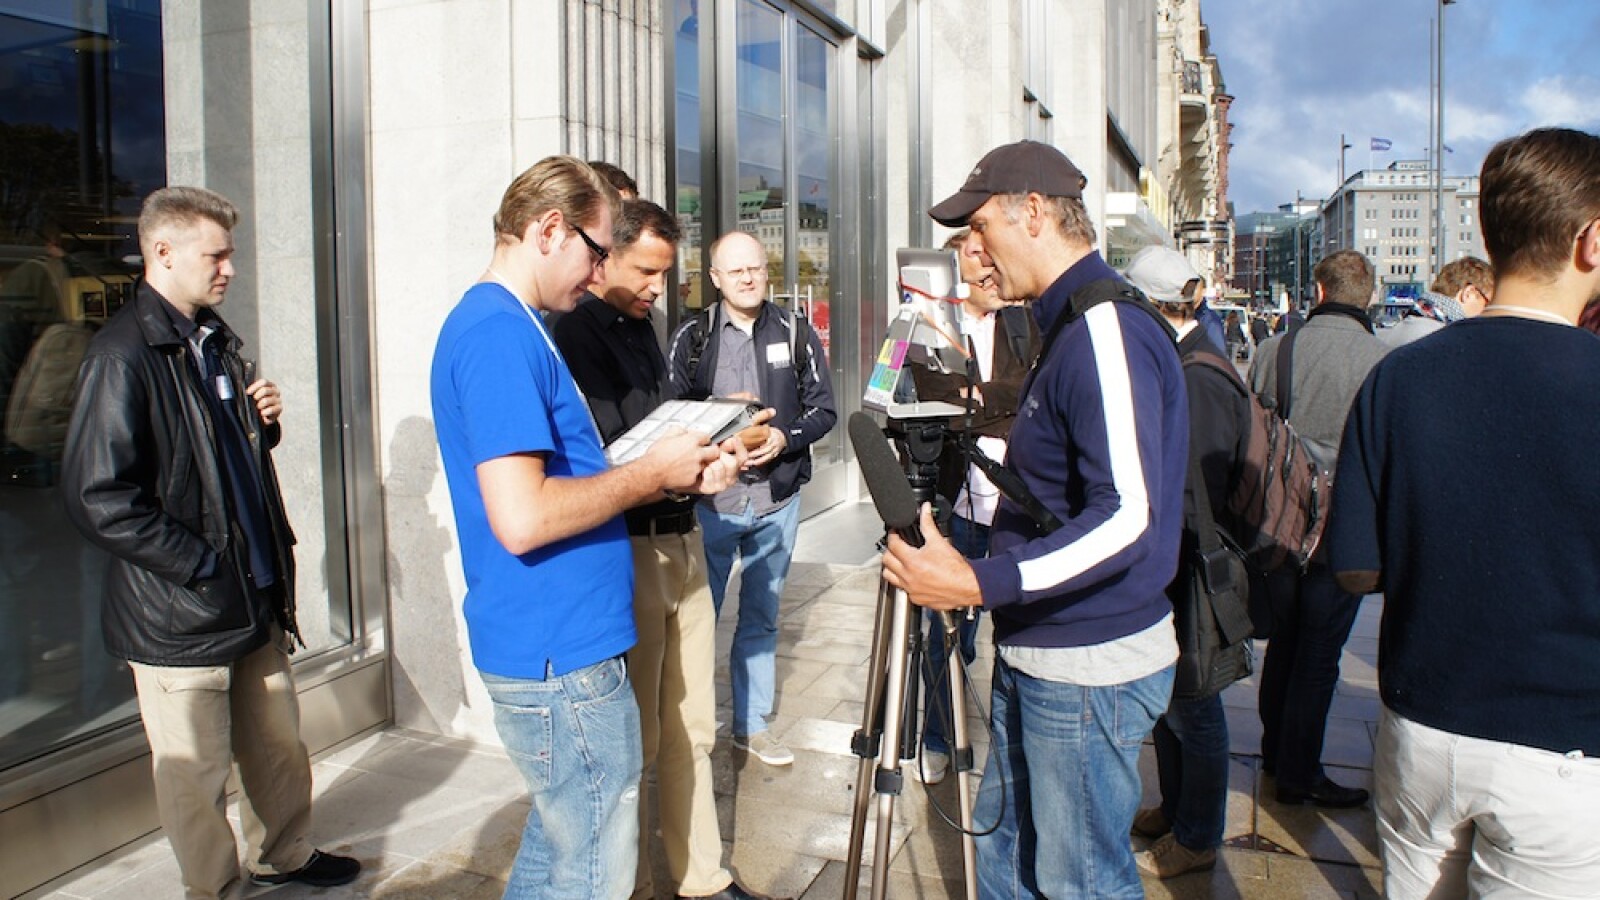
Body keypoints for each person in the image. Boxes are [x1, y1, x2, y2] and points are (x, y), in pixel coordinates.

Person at [430, 157, 744, 898]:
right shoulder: (498, 334)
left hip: (567, 644)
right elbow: (525, 515)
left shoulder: (517, 328)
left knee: (560, 851)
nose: (600, 270)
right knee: (593, 872)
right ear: (547, 230)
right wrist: (651, 474)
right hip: (558, 654)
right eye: (598, 251)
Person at [882, 140, 1188, 898]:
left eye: (982, 227)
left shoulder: (1105, 328)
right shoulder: (1067, 321)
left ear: (1034, 212)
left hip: (1086, 662)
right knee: (1012, 857)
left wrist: (980, 583)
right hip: (1046, 650)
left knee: (1079, 877)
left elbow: (1128, 518)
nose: (974, 251)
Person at [60, 186, 361, 899]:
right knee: (194, 775)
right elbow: (96, 498)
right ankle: (217, 887)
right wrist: (198, 564)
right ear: (161, 253)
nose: (229, 268)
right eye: (216, 254)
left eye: (231, 253)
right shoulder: (121, 355)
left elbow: (213, 463)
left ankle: (283, 854)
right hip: (180, 611)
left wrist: (264, 425)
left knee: (277, 746)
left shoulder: (214, 340)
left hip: (250, 598)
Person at [1330, 126, 1600, 900]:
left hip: (1425, 727)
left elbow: (1356, 565)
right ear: (1590, 240)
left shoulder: (1400, 377)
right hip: (1563, 751)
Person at [550, 198, 770, 900]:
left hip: (682, 536)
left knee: (693, 726)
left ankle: (701, 875)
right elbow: (610, 463)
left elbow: (661, 429)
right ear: (602, 255)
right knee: (633, 743)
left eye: (665, 275)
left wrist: (719, 443)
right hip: (630, 551)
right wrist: (688, 454)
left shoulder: (647, 327)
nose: (656, 288)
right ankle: (636, 883)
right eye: (645, 271)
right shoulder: (572, 334)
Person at [667, 230, 836, 768]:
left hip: (774, 502)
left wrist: (787, 437)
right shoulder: (691, 336)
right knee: (697, 620)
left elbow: (824, 409)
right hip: (710, 506)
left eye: (756, 268)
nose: (747, 278)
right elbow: (670, 413)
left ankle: (750, 725)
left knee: (761, 616)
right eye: (735, 270)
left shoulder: (796, 332)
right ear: (714, 278)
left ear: (767, 271)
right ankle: (687, 730)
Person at [1122, 245, 1250, 879]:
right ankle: (1175, 810)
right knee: (1175, 700)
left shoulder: (1196, 372)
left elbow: (1192, 487)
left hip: (1193, 563)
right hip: (1185, 558)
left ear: (1150, 304)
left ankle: (1198, 834)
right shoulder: (1194, 356)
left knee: (1196, 706)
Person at [1248, 249, 1388, 809]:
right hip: (1341, 527)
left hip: (1278, 522)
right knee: (1319, 653)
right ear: (1368, 298)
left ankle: (1276, 750)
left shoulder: (1271, 351)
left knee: (1283, 641)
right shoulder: (1381, 362)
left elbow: (1251, 431)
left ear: (1320, 292)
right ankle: (1299, 772)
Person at [906, 228, 1038, 786]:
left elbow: (1030, 392)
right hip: (958, 505)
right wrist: (986, 403)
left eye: (991, 257)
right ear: (954, 272)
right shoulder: (931, 326)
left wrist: (980, 401)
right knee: (947, 636)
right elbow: (936, 397)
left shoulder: (1026, 322)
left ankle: (1017, 745)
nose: (988, 269)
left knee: (1016, 635)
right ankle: (937, 738)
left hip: (1016, 508)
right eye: (975, 260)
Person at [1380, 255, 1494, 348]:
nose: (1487, 312)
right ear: (1468, 294)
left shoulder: (1402, 328)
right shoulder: (1445, 340)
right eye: (1488, 303)